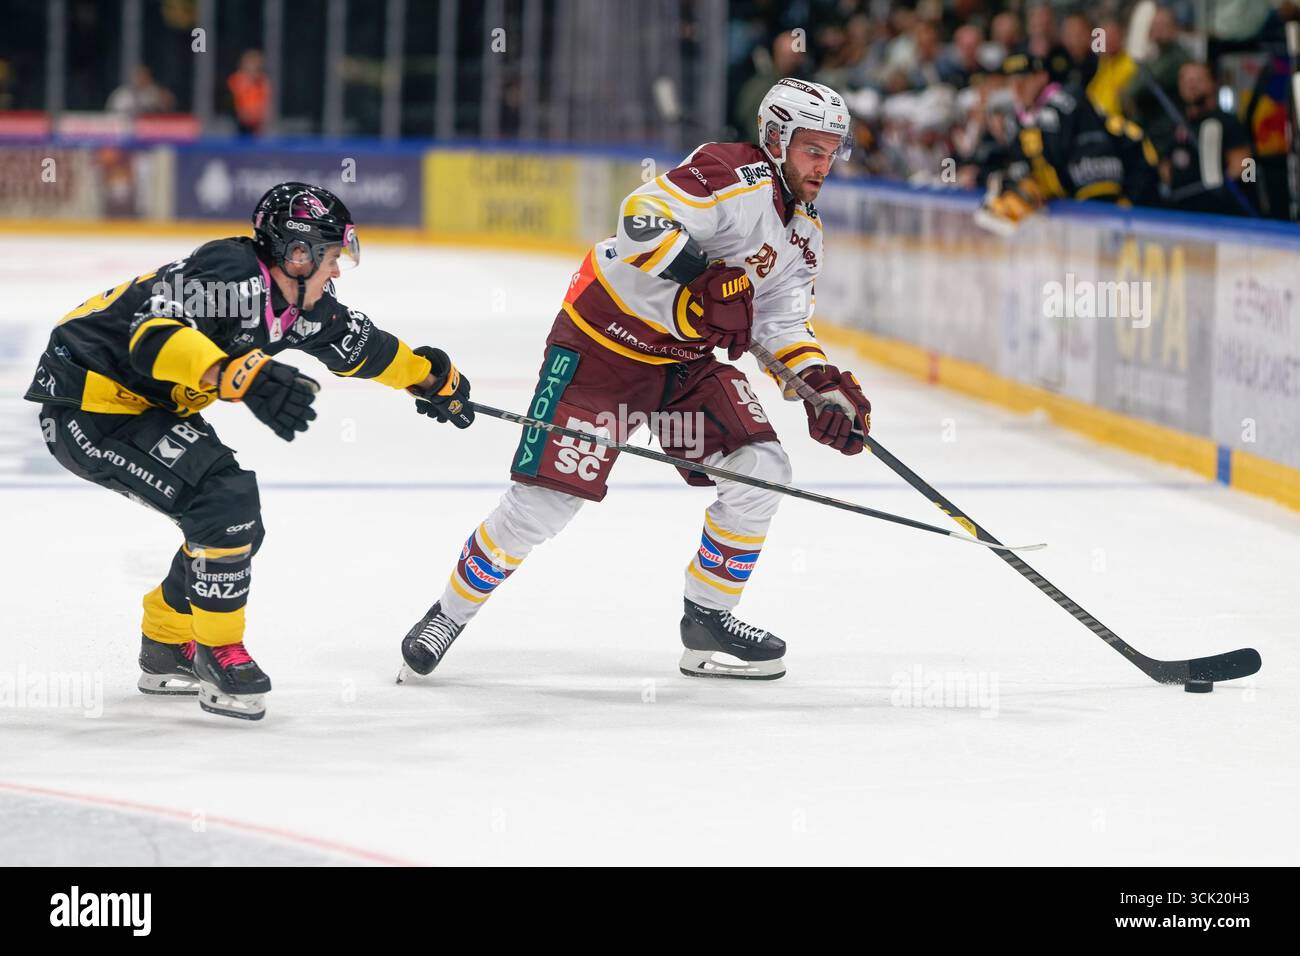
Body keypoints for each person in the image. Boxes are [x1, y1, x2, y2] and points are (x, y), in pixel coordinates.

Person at [397, 79, 872, 683]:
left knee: (762, 469)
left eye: (833, 151)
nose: (824, 164)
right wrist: (701, 276)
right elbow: (639, 220)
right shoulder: (729, 173)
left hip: (684, 366)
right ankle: (449, 614)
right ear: (776, 139)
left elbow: (778, 322)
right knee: (546, 502)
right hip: (602, 346)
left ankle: (708, 623)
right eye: (812, 148)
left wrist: (818, 387)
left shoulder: (804, 235)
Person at [24, 183, 472, 720]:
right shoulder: (227, 273)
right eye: (332, 257)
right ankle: (218, 653)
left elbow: (365, 349)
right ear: (297, 253)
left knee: (235, 524)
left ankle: (167, 642)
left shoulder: (302, 304)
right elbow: (153, 336)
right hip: (85, 405)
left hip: (140, 406)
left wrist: (429, 378)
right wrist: (239, 374)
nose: (336, 271)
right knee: (225, 502)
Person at [979, 52, 1160, 231]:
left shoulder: (1068, 106)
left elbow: (1098, 187)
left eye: (1024, 80)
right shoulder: (1018, 120)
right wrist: (1026, 188)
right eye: (1011, 81)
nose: (1016, 88)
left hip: (1137, 196)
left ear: (1042, 77)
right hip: (1084, 206)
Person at [1165, 61, 1255, 216]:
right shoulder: (1174, 126)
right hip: (1180, 213)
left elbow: (1245, 168)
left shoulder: (1228, 122)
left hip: (1220, 213)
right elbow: (1166, 167)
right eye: (1186, 81)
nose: (1191, 86)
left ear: (1213, 83)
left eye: (1198, 80)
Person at [227, 49, 270, 136]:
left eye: (257, 65)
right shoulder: (236, 79)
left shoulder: (262, 82)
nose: (254, 68)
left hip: (257, 125)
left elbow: (265, 104)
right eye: (251, 64)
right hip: (238, 124)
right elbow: (238, 105)